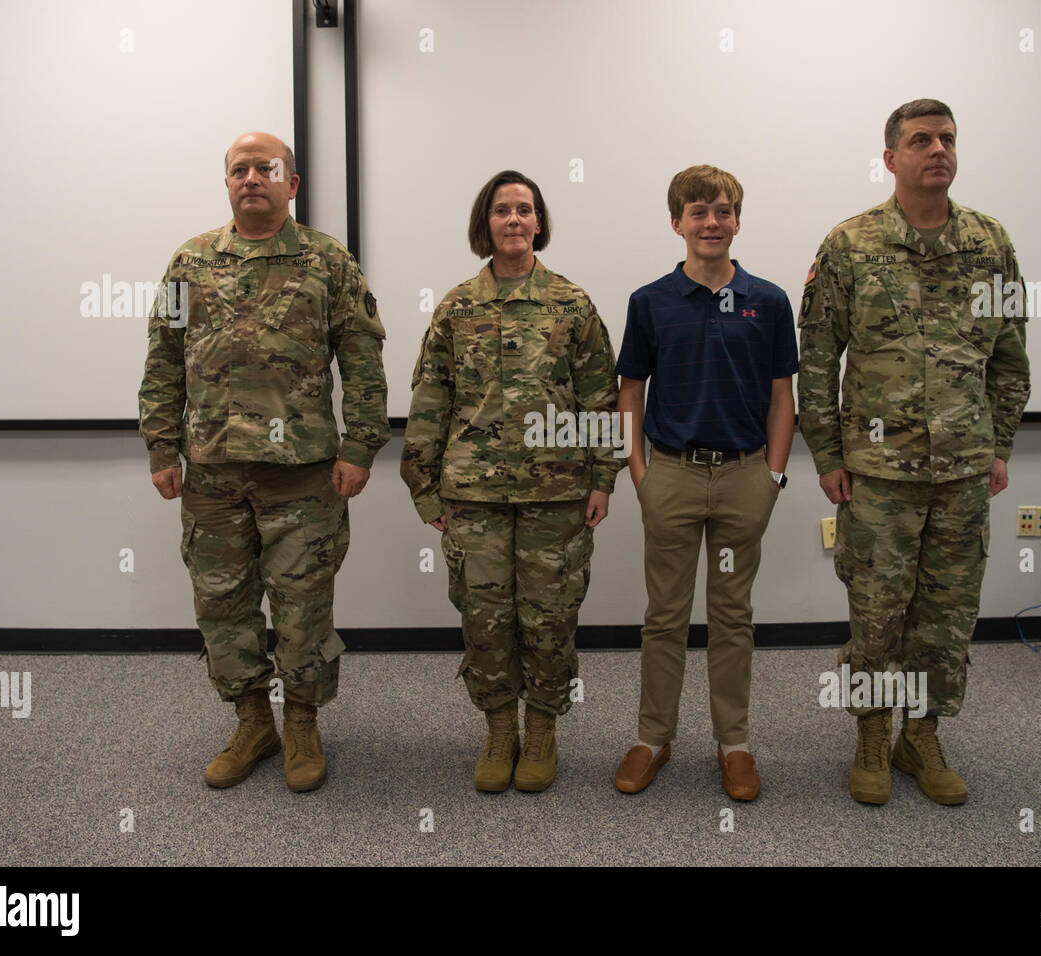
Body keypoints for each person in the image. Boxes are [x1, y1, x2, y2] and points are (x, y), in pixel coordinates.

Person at [138, 131, 389, 793]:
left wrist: (361, 446)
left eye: (266, 168)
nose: (253, 177)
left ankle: (302, 720)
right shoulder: (188, 262)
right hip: (213, 474)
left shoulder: (329, 261)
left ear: (292, 183)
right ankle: (252, 720)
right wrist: (162, 446)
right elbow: (163, 359)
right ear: (227, 183)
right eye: (240, 169)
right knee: (222, 606)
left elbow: (363, 360)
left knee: (303, 607)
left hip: (303, 474)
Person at [797, 99, 1031, 806]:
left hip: (963, 472)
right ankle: (871, 731)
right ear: (890, 156)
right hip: (878, 475)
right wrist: (828, 455)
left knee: (948, 617)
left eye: (948, 138)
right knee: (877, 612)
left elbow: (1011, 358)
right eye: (921, 140)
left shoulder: (991, 243)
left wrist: (1000, 443)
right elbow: (816, 359)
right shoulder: (851, 245)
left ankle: (920, 734)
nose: (938, 149)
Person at [401, 170, 620, 793]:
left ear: (540, 222)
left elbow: (598, 400)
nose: (515, 220)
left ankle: (543, 728)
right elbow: (430, 400)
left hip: (558, 493)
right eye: (503, 210)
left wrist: (603, 478)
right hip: (473, 495)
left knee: (550, 616)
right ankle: (500, 728)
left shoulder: (572, 305)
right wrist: (424, 486)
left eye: (525, 209)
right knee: (486, 617)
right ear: (486, 224)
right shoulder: (456, 307)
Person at [613, 165, 797, 801]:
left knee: (732, 616)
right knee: (664, 617)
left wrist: (772, 475)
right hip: (671, 476)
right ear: (677, 224)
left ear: (737, 221)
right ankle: (652, 737)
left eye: (722, 211)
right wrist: (639, 472)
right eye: (698, 212)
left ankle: (734, 744)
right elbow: (629, 393)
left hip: (745, 477)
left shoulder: (768, 301)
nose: (711, 222)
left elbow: (782, 396)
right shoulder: (650, 302)